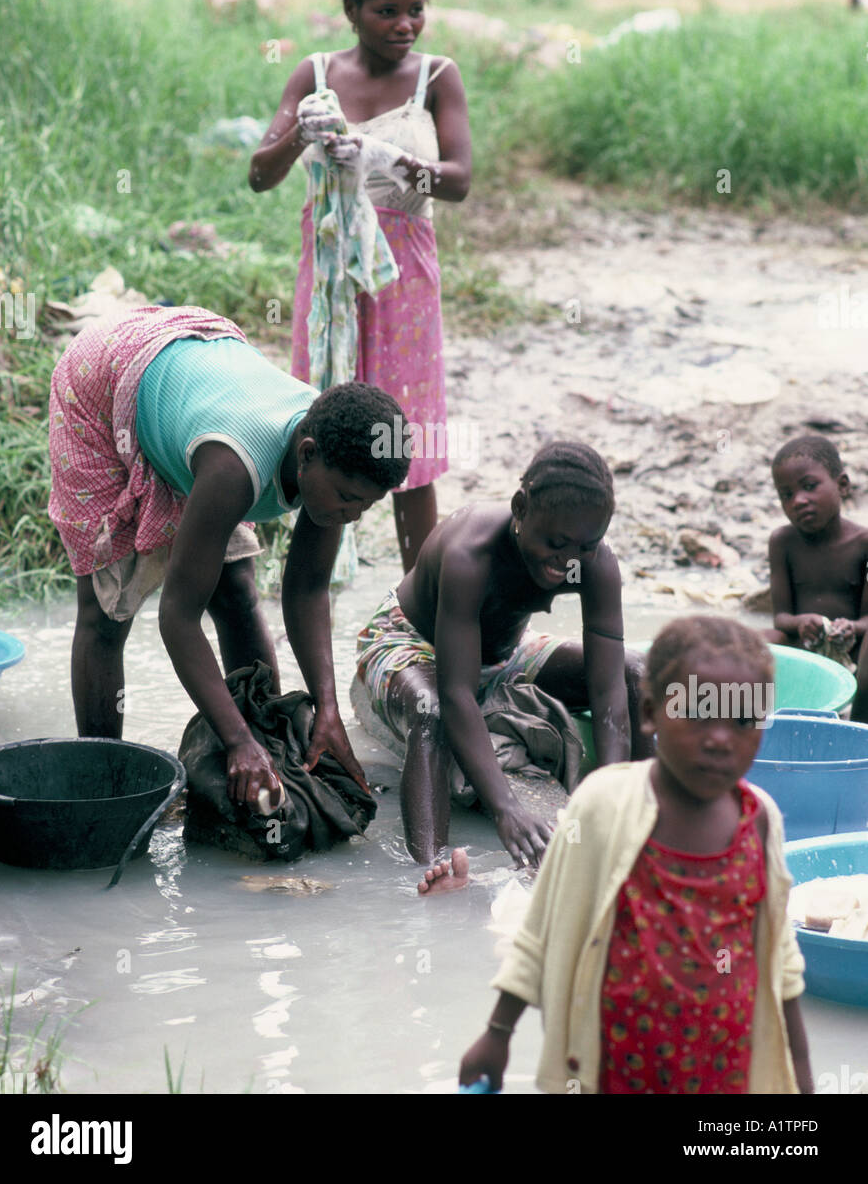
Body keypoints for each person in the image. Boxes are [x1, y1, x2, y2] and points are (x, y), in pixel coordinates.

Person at [48, 303, 410, 806]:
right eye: (349, 499)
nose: (353, 515)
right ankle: (104, 786)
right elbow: (177, 618)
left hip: (197, 373)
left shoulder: (335, 456)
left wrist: (327, 708)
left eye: (366, 507)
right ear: (305, 455)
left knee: (237, 593)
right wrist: (235, 742)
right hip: (103, 380)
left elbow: (305, 590)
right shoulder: (233, 471)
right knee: (108, 611)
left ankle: (267, 752)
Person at [459, 616, 814, 1095]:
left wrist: (802, 1075)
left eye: (743, 720)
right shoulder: (603, 804)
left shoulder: (761, 819)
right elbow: (543, 928)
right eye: (699, 714)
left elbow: (779, 956)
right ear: (649, 712)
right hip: (617, 1065)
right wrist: (497, 1035)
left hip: (724, 1067)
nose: (719, 739)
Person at [249, 0, 471, 572]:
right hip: (327, 274)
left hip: (404, 273)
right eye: (385, 11)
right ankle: (313, 581)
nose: (404, 25)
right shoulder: (314, 76)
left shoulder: (436, 76)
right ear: (350, 10)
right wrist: (304, 131)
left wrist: (390, 161)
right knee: (320, 415)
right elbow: (260, 175)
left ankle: (419, 593)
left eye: (415, 10)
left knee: (409, 433)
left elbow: (456, 181)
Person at [354, 442, 646, 895]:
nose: (568, 561)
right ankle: (431, 871)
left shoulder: (595, 563)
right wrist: (507, 809)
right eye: (555, 544)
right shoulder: (471, 554)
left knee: (639, 675)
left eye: (585, 547)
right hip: (413, 645)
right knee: (431, 713)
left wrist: (605, 801)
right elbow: (455, 695)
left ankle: (646, 818)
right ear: (520, 509)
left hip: (505, 654)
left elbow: (609, 691)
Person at [765, 434, 868, 721]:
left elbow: (867, 618)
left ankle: (860, 723)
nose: (798, 500)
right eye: (786, 495)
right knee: (756, 641)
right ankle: (761, 722)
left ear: (842, 485)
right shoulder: (782, 542)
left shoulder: (864, 543)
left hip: (853, 655)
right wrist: (801, 622)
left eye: (810, 487)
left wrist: (851, 627)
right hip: (804, 651)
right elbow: (781, 618)